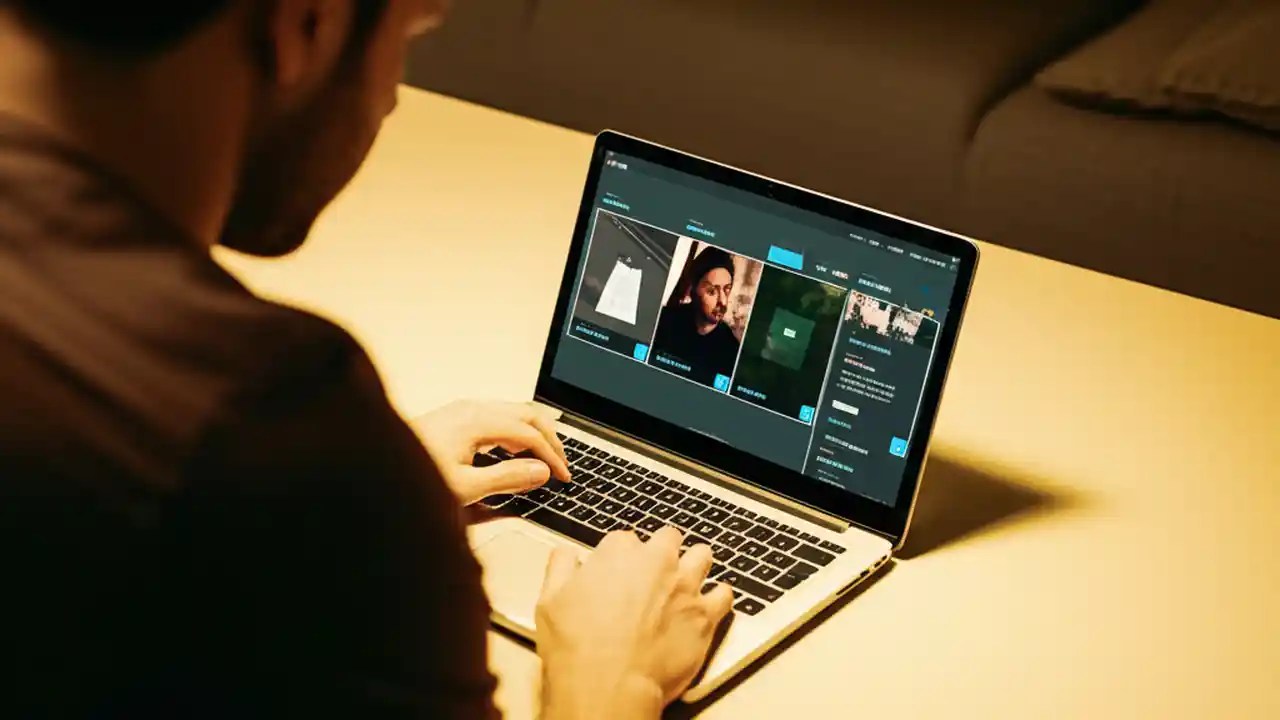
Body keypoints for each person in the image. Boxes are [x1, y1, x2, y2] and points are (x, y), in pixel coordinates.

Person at [0, 2, 732, 718]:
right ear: (304, 24)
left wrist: (370, 480)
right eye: (408, 40)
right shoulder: (272, 421)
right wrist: (610, 681)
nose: (388, 101)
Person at [651, 246, 742, 386]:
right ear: (693, 288)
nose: (723, 301)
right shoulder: (663, 321)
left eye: (727, 290)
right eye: (712, 291)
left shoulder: (731, 351)